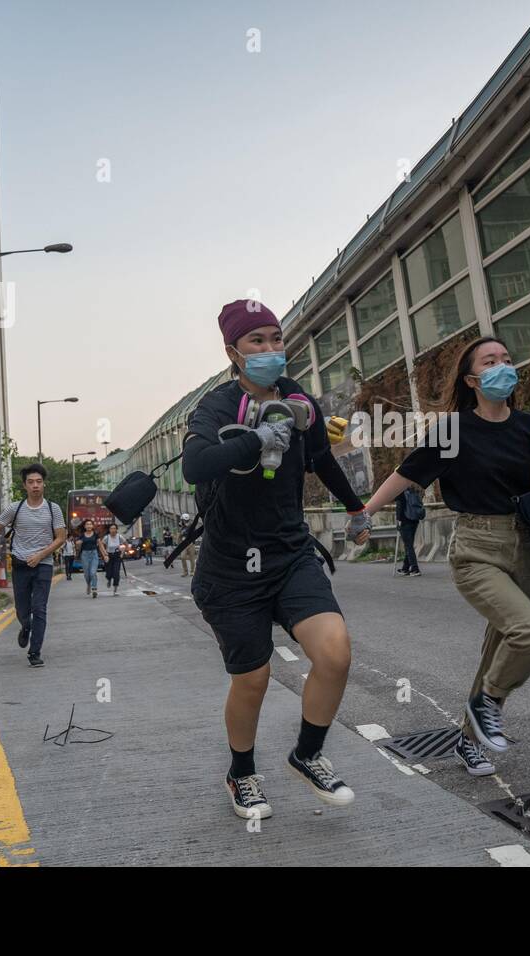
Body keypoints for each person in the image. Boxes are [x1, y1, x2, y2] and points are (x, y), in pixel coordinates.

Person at [182, 298, 368, 821]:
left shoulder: (296, 397)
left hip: (289, 554)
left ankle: (307, 754)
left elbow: (320, 458)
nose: (269, 350)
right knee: (254, 678)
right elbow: (196, 466)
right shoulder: (216, 407)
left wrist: (355, 507)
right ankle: (241, 771)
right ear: (232, 352)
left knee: (334, 653)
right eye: (255, 342)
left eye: (276, 339)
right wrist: (257, 438)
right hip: (230, 568)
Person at [354, 336, 530, 777]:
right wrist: (364, 513)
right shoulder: (454, 431)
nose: (503, 366)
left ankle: (469, 742)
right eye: (491, 362)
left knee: (499, 647)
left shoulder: (529, 428)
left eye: (508, 358)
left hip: (523, 547)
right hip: (476, 548)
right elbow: (406, 474)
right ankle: (485, 703)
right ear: (472, 379)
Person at [0, 463, 66, 668]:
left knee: (39, 608)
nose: (35, 486)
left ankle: (34, 652)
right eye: (31, 482)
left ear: (44, 484)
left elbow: (61, 537)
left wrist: (41, 555)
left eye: (39, 481)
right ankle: (25, 627)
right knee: (22, 610)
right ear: (25, 486)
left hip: (43, 564)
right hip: (20, 565)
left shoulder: (52, 508)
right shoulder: (15, 508)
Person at [394, 482, 425, 576]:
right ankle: (405, 568)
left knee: (408, 546)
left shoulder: (401, 491)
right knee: (409, 544)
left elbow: (400, 506)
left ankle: (415, 569)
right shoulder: (417, 489)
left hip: (405, 520)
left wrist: (398, 520)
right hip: (414, 520)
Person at [99, 523, 126, 595]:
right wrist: (104, 554)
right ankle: (109, 579)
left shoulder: (120, 537)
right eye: (111, 529)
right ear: (109, 530)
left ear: (116, 529)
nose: (113, 530)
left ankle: (115, 589)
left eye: (114, 528)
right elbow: (101, 545)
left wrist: (122, 553)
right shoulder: (106, 537)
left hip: (117, 556)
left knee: (116, 573)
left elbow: (126, 544)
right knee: (109, 572)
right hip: (109, 556)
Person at [77, 519, 101, 598]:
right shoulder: (82, 535)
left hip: (94, 554)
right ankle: (88, 584)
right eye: (87, 524)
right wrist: (78, 543)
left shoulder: (96, 534)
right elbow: (78, 545)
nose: (89, 526)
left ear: (92, 526)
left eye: (90, 524)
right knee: (87, 574)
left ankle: (94, 589)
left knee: (93, 572)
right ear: (84, 526)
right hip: (84, 555)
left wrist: (105, 555)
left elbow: (100, 545)